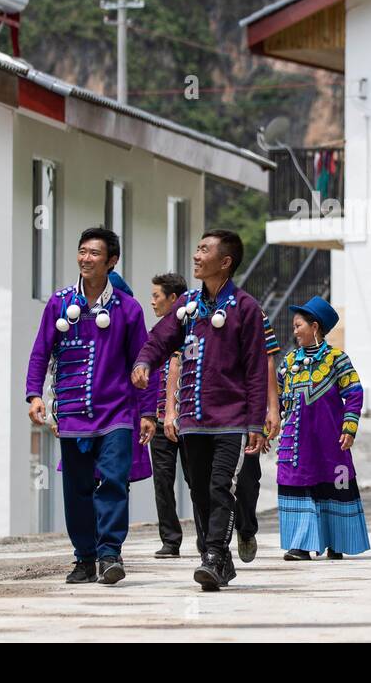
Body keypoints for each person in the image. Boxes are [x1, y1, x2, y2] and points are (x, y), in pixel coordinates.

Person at [132, 230, 268, 591]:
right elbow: (161, 338)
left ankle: (212, 555)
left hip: (232, 421)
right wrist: (145, 361)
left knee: (222, 486)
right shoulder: (188, 305)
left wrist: (256, 420)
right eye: (196, 248)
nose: (195, 255)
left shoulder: (246, 308)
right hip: (193, 420)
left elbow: (257, 369)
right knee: (200, 492)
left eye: (204, 250)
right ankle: (220, 560)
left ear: (225, 262)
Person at [26, 228, 159, 585]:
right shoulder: (59, 303)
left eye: (94, 253)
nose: (86, 258)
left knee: (114, 481)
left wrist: (147, 412)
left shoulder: (128, 310)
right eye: (82, 251)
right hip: (71, 413)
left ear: (111, 261)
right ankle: (84, 557)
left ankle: (109, 553)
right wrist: (34, 395)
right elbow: (41, 351)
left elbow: (143, 363)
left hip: (116, 412)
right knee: (77, 488)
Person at [276, 296, 370, 561]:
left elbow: (354, 392)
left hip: (329, 441)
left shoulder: (337, 359)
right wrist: (270, 423)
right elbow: (278, 395)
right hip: (296, 441)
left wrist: (349, 428)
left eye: (298, 326)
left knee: (335, 485)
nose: (294, 331)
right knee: (298, 484)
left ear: (314, 326)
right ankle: (301, 545)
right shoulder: (290, 362)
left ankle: (336, 541)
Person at [233, 314, 284, 564]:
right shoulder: (194, 309)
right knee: (203, 478)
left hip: (246, 408)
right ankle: (210, 539)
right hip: (207, 408)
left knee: (247, 477)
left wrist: (271, 409)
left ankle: (245, 530)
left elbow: (267, 361)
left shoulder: (252, 312)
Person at [147, 273, 188, 557]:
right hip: (160, 420)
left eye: (156, 296)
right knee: (162, 480)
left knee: (197, 481)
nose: (152, 302)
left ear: (173, 299)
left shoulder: (194, 330)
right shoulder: (156, 336)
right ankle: (170, 540)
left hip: (191, 420)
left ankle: (208, 539)